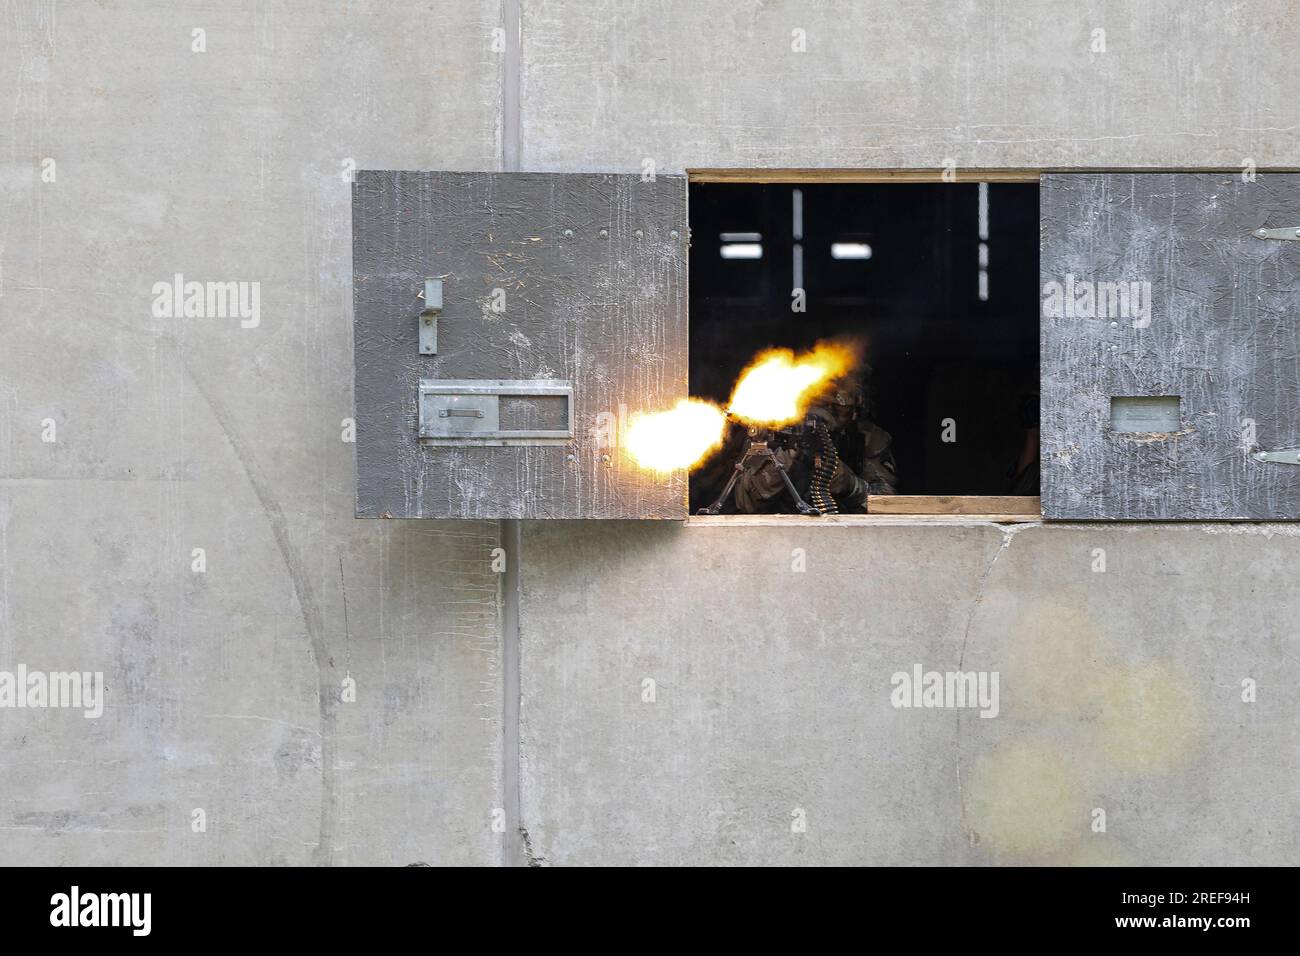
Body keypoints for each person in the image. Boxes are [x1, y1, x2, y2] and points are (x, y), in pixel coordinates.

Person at [731, 368, 898, 514]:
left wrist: (851, 484)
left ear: (855, 410)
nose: (826, 412)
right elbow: (743, 502)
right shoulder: (773, 432)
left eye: (838, 406)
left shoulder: (869, 438)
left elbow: (891, 504)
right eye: (821, 403)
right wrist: (780, 464)